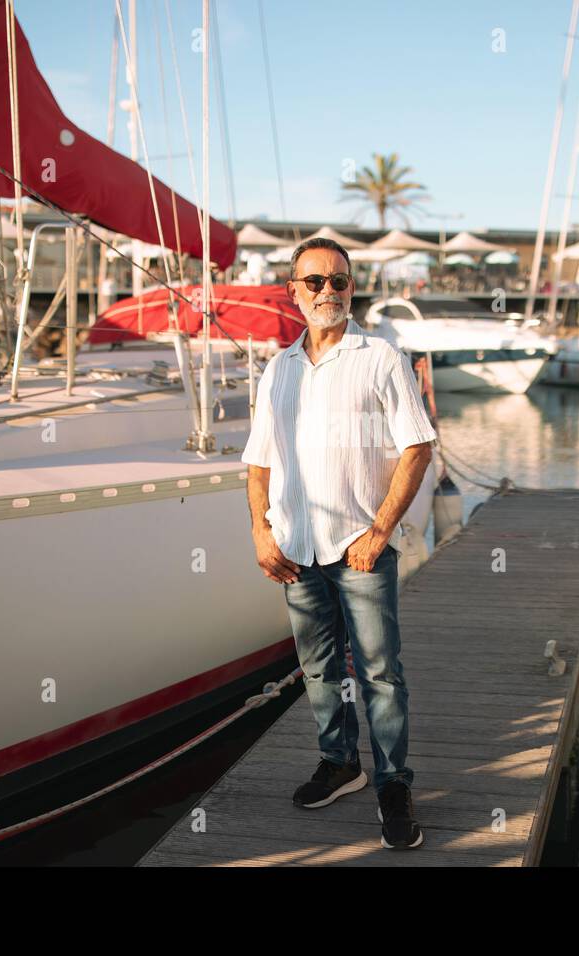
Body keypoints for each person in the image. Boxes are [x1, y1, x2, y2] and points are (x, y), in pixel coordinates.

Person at [242, 237, 436, 850]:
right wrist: (260, 529)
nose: (329, 291)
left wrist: (380, 530)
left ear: (352, 288)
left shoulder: (380, 357)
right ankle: (340, 762)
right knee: (319, 669)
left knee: (380, 672)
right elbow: (259, 462)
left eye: (340, 281)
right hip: (296, 549)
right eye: (316, 281)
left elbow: (418, 446)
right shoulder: (278, 368)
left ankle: (393, 783)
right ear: (293, 291)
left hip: (360, 547)